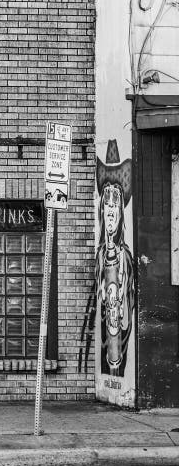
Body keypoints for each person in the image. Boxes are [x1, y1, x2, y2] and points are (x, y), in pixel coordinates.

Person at [95, 139, 134, 376]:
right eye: (106, 201)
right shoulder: (99, 255)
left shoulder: (126, 257)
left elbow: (127, 310)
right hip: (105, 339)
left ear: (121, 211)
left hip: (119, 337)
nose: (110, 209)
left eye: (115, 202)